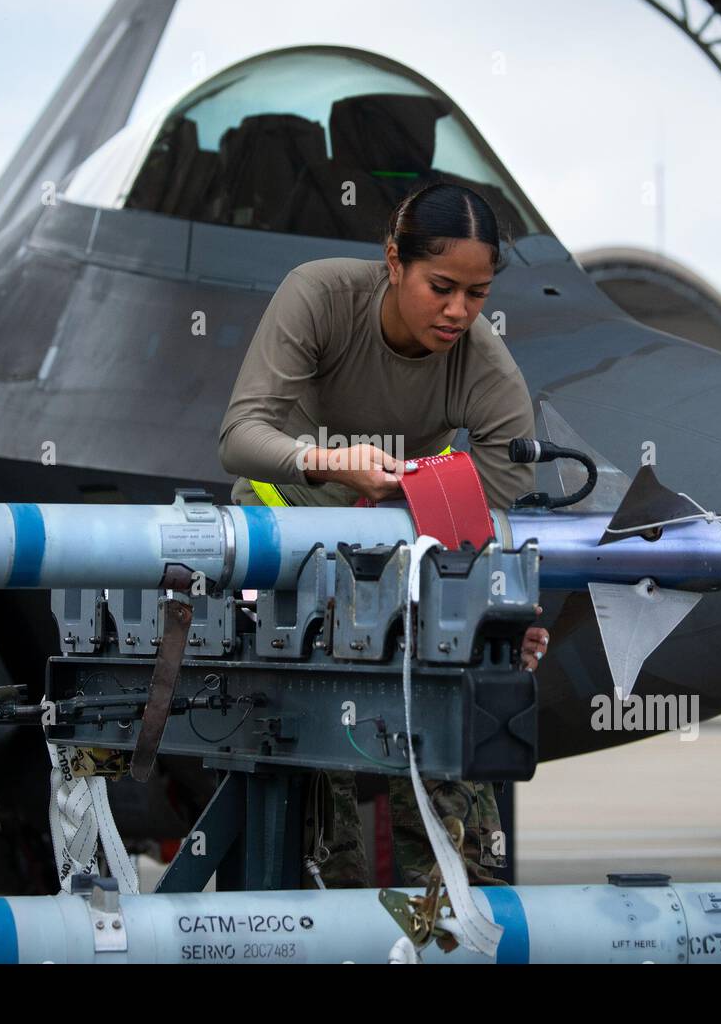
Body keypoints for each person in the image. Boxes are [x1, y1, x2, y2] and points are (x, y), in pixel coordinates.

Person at [217, 181, 550, 888]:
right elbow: (241, 437)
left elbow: (489, 509)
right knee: (315, 834)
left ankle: (452, 922)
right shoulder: (319, 296)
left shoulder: (482, 365)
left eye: (478, 293)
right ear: (393, 261)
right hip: (287, 555)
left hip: (400, 565)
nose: (459, 311)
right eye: (441, 286)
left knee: (453, 825)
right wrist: (327, 462)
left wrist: (499, 607)